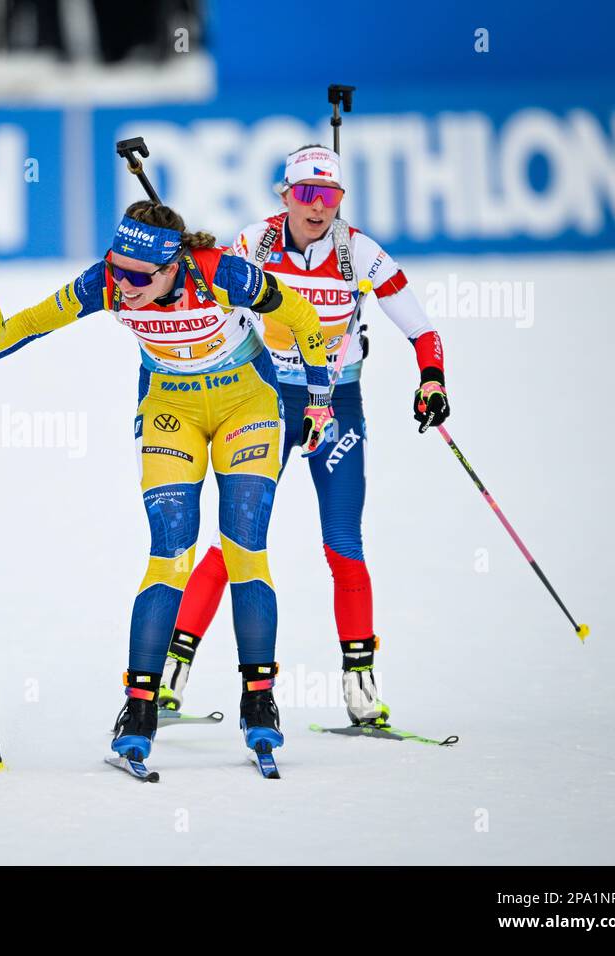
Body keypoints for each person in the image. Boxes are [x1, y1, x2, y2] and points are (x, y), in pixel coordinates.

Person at [0, 199, 331, 765]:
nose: (126, 286)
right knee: (169, 556)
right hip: (170, 410)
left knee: (244, 550)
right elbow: (29, 325)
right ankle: (139, 706)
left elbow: (305, 319)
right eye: (118, 269)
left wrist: (319, 398)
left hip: (248, 406)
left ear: (171, 267)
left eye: (140, 277)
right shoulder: (106, 283)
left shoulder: (221, 273)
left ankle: (259, 702)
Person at [159, 144, 450, 727]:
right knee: (236, 539)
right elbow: (195, 276)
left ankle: (361, 688)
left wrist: (432, 381)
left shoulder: (358, 252)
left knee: (343, 539)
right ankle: (171, 674)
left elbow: (421, 328)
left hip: (336, 403)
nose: (318, 207)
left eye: (330, 196)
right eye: (305, 194)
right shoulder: (252, 244)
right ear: (284, 195)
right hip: (263, 400)